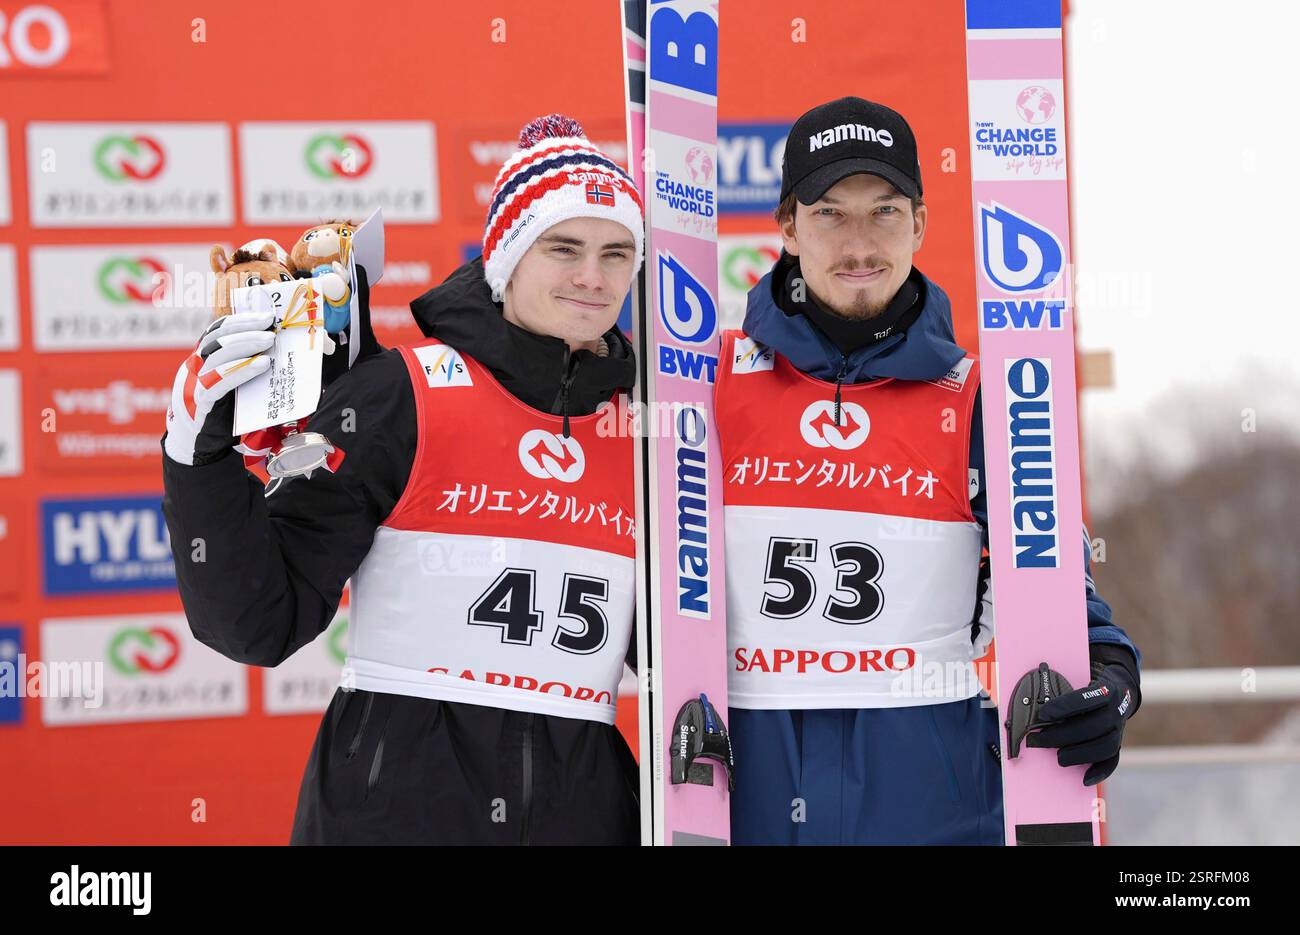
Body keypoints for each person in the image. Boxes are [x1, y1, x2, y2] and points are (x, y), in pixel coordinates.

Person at [161, 114, 647, 844]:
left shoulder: (647, 430)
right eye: (564, 247)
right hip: (393, 813)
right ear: (507, 256)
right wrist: (195, 460)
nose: (592, 277)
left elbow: (677, 651)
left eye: (616, 253)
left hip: (585, 813)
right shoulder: (401, 396)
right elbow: (260, 623)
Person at [715, 97, 1142, 845]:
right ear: (787, 227)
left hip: (932, 812)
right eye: (829, 213)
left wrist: (1111, 674)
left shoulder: (982, 401)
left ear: (918, 223)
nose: (859, 243)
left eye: (883, 211)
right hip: (746, 806)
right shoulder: (710, 380)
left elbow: (1055, 583)